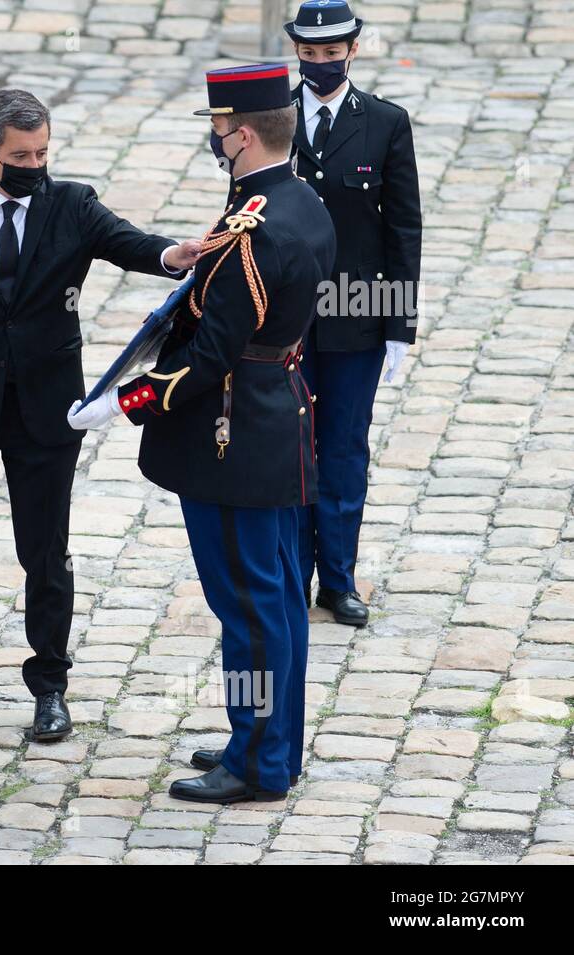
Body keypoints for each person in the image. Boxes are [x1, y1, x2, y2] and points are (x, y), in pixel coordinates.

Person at [69, 64, 337, 803]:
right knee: (277, 595)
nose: (216, 141)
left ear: (243, 134)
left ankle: (258, 759)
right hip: (276, 417)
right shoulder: (300, 203)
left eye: (219, 130)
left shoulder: (252, 231)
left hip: (235, 436)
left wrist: (129, 401)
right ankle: (268, 738)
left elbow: (211, 356)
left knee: (250, 607)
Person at [0, 88, 200, 740]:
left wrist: (173, 255)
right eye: (19, 154)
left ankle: (50, 684)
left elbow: (130, 243)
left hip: (47, 410)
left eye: (41, 151)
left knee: (45, 551)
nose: (33, 163)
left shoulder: (71, 204)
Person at [285, 0, 422, 626]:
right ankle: (290, 574)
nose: (320, 63)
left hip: (357, 312)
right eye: (309, 54)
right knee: (288, 446)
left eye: (330, 52)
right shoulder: (270, 119)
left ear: (353, 48)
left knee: (341, 449)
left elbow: (402, 229)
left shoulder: (385, 124)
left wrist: (399, 323)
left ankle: (337, 580)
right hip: (281, 317)